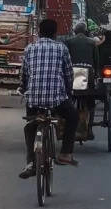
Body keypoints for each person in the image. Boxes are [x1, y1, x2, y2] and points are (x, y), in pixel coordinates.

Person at [19, 18, 80, 178]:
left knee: (30, 125)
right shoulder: (61, 48)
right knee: (73, 116)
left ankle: (31, 163)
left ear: (39, 32)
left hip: (34, 98)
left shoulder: (29, 48)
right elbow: (68, 74)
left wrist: (25, 89)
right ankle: (66, 153)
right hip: (56, 99)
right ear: (55, 33)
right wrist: (69, 93)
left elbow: (24, 75)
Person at [65, 23, 102, 140]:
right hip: (88, 74)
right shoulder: (92, 43)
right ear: (86, 32)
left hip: (72, 74)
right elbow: (96, 61)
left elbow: (66, 59)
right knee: (91, 102)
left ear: (75, 31)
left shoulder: (69, 41)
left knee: (68, 97)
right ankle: (89, 128)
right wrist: (96, 74)